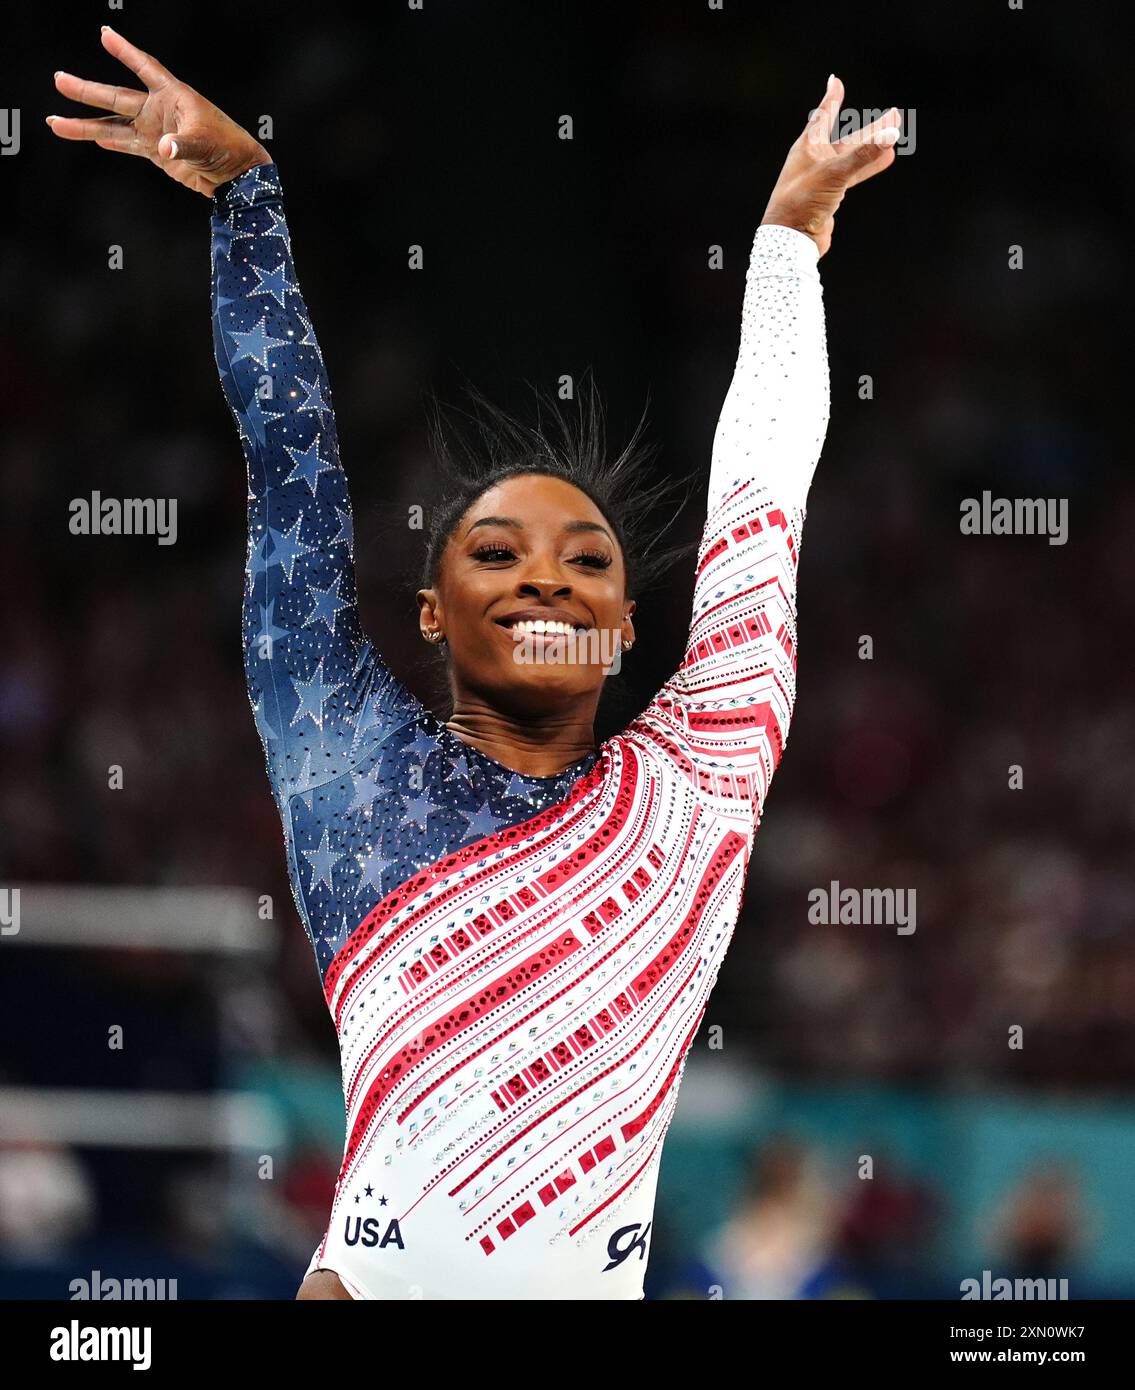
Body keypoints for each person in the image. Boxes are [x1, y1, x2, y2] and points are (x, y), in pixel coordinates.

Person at [48, 25, 899, 1299]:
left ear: (624, 628)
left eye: (590, 564)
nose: (547, 575)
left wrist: (786, 246)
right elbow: (290, 470)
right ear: (433, 613)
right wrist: (245, 201)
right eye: (496, 555)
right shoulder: (349, 767)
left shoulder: (691, 790)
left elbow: (765, 487)